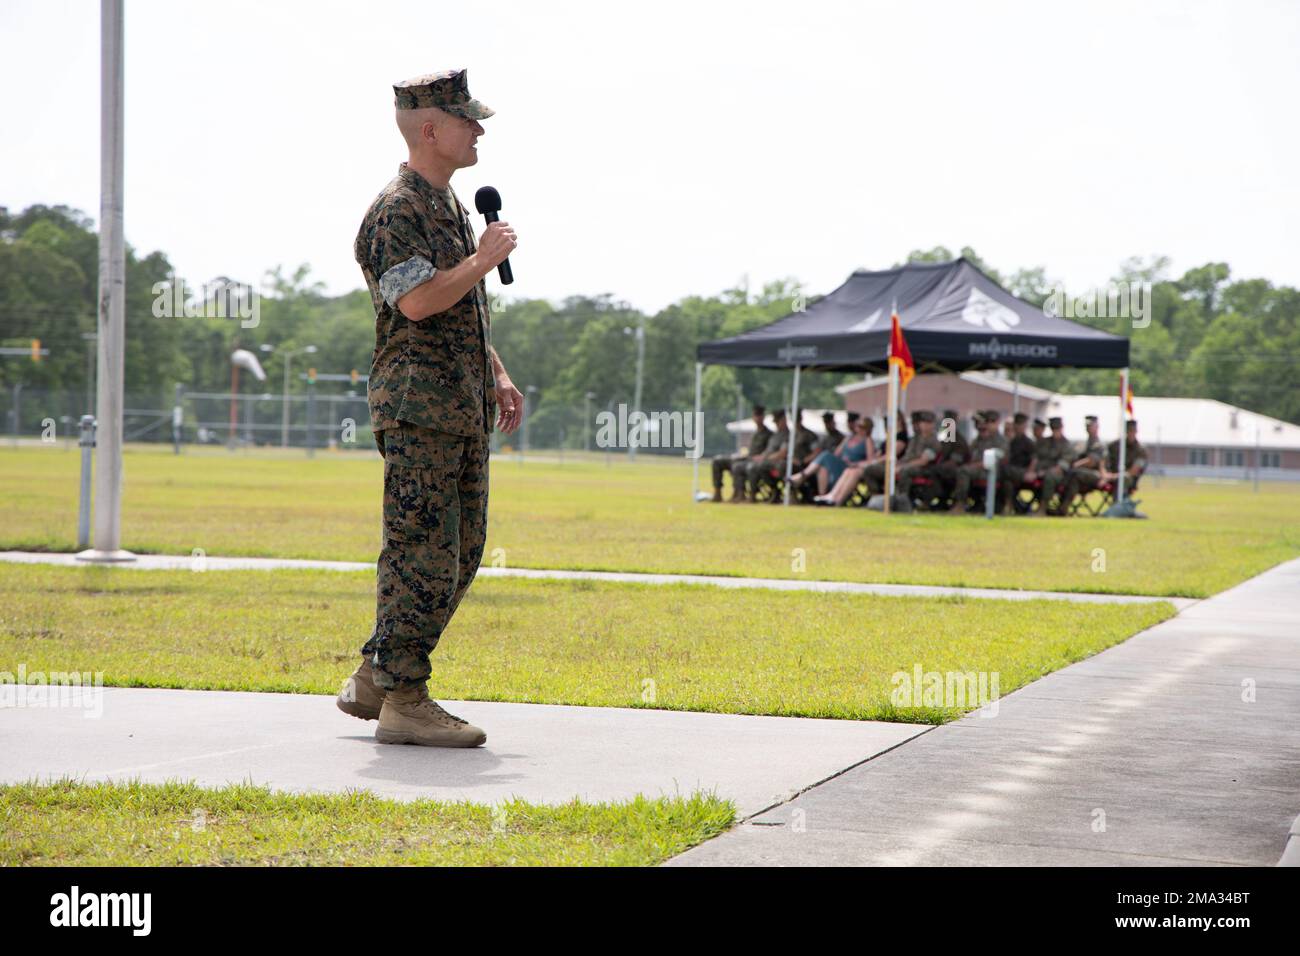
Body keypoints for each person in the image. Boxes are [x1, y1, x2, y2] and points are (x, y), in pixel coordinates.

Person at [338, 69, 522, 749]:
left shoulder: (450, 205)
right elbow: (415, 302)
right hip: (418, 406)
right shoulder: (398, 209)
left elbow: (460, 307)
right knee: (423, 551)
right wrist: (481, 262)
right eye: (468, 121)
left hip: (461, 401)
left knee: (462, 550)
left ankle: (375, 672)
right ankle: (405, 700)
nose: (478, 131)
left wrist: (496, 371)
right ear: (429, 129)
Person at [795, 414, 872, 498]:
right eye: (857, 425)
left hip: (851, 466)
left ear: (867, 428)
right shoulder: (849, 438)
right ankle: (823, 496)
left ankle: (802, 475)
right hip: (841, 464)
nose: (858, 428)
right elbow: (836, 453)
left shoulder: (867, 440)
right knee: (823, 467)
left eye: (861, 426)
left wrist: (856, 463)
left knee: (825, 454)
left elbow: (870, 460)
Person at [950, 410, 1008, 514]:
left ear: (997, 423)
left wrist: (972, 466)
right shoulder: (980, 439)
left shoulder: (1000, 440)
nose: (988, 424)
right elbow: (971, 454)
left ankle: (960, 504)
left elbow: (994, 460)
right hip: (977, 469)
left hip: (992, 471)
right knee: (956, 470)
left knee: (963, 471)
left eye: (992, 421)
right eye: (987, 421)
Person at [711, 404, 771, 502]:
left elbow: (768, 451)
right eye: (756, 415)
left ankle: (739, 494)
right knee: (718, 461)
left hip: (756, 461)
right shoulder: (755, 433)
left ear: (763, 417)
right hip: (748, 458)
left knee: (737, 466)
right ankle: (717, 493)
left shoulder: (769, 434)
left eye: (759, 415)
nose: (757, 418)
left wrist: (762, 457)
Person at [1056, 415, 1106, 515]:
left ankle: (1063, 506)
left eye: (1091, 426)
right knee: (1073, 478)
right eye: (1087, 426)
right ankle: (1062, 507)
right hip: (1080, 475)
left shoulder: (1098, 444)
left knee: (1075, 473)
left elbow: (1092, 461)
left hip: (1096, 475)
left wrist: (1076, 465)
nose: (1088, 428)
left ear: (1097, 427)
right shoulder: (1084, 443)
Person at [1027, 416, 1073, 517]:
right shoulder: (1044, 442)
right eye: (1053, 429)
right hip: (1040, 471)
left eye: (1057, 429)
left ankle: (1042, 508)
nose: (1055, 432)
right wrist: (1031, 471)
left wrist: (1043, 473)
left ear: (1061, 428)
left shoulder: (1066, 445)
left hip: (1059, 475)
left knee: (1050, 477)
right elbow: (1036, 458)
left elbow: (1061, 466)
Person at [741, 409, 789, 501]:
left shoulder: (787, 436)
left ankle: (757, 494)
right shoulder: (775, 435)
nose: (776, 424)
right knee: (741, 465)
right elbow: (768, 450)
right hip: (766, 460)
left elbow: (782, 453)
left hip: (775, 463)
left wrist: (765, 458)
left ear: (784, 420)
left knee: (756, 467)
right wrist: (760, 457)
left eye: (778, 422)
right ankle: (741, 493)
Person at [933, 407, 971, 506]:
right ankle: (941, 499)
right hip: (944, 467)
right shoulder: (944, 437)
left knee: (937, 471)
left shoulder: (959, 440)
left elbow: (956, 459)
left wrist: (940, 466)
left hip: (956, 468)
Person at [1100, 419, 1149, 495]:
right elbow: (1103, 460)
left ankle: (1118, 505)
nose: (1131, 433)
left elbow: (1133, 471)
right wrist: (1104, 474)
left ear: (1136, 431)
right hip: (1109, 477)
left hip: (1128, 480)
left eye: (1133, 430)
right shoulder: (1114, 446)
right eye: (1129, 430)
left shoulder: (1141, 450)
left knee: (1123, 479)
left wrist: (1112, 477)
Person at [1000, 412, 1035, 514]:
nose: (1018, 427)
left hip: (1023, 471)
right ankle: (1011, 506)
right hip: (1011, 472)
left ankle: (1012, 506)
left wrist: (1029, 472)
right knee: (1007, 483)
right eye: (1017, 424)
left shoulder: (1028, 442)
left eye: (1021, 424)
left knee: (1004, 470)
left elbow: (1034, 459)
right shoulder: (1010, 441)